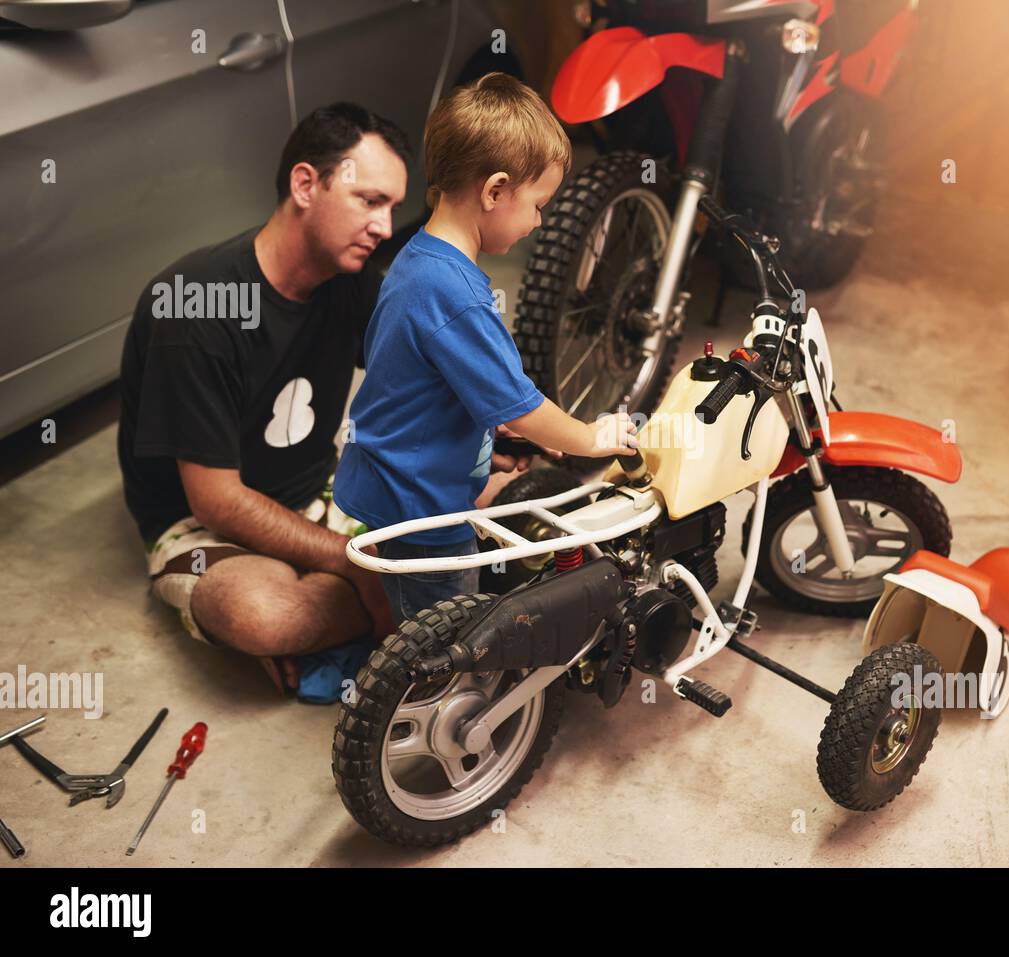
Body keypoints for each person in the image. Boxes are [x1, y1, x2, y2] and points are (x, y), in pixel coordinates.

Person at [116, 102, 525, 695]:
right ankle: (375, 605)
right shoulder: (196, 305)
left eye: (392, 207)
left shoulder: (348, 279)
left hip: (320, 487)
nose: (387, 228)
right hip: (204, 522)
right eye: (370, 201)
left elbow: (427, 377)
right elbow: (216, 501)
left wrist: (497, 425)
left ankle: (353, 610)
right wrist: (349, 561)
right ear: (306, 184)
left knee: (504, 493)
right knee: (262, 613)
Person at [334, 73, 638, 624]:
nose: (539, 222)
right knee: (450, 637)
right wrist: (591, 439)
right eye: (539, 204)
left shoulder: (417, 259)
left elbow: (427, 376)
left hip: (394, 477)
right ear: (495, 191)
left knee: (418, 616)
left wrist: (484, 425)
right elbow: (522, 405)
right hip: (424, 512)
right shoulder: (459, 297)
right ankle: (436, 703)